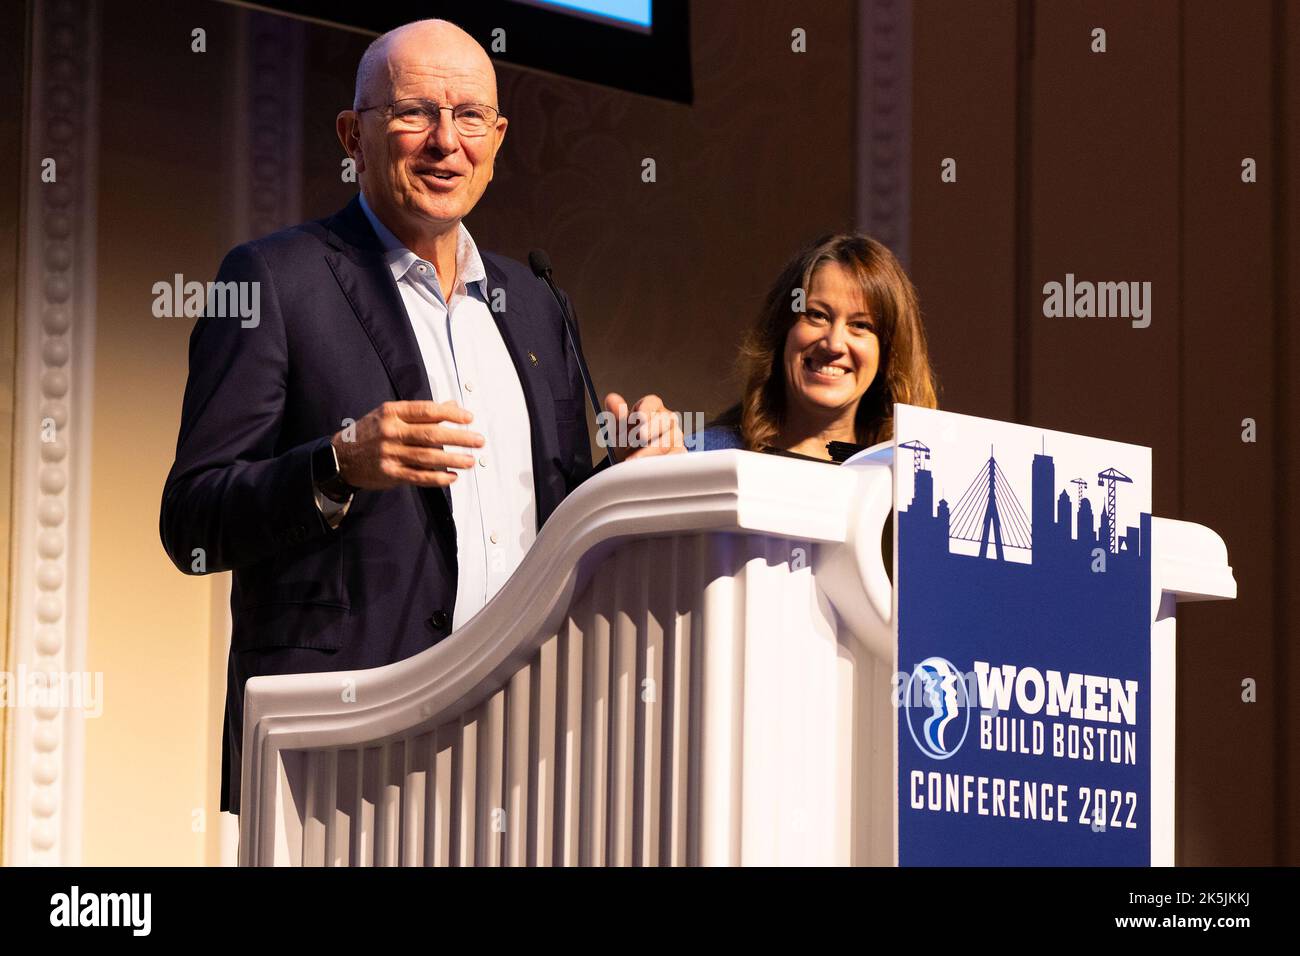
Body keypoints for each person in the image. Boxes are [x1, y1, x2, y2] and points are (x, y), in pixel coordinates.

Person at [159, 19, 684, 814]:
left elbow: (553, 524)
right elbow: (192, 522)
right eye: (414, 113)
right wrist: (335, 467)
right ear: (353, 134)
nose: (446, 141)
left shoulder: (536, 303)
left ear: (498, 136)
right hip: (347, 750)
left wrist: (628, 478)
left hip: (530, 743)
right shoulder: (276, 281)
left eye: (470, 116)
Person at [697, 233, 938, 458]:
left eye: (860, 325)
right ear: (782, 329)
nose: (834, 344)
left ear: (888, 354)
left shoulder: (908, 476)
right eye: (817, 315)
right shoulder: (708, 456)